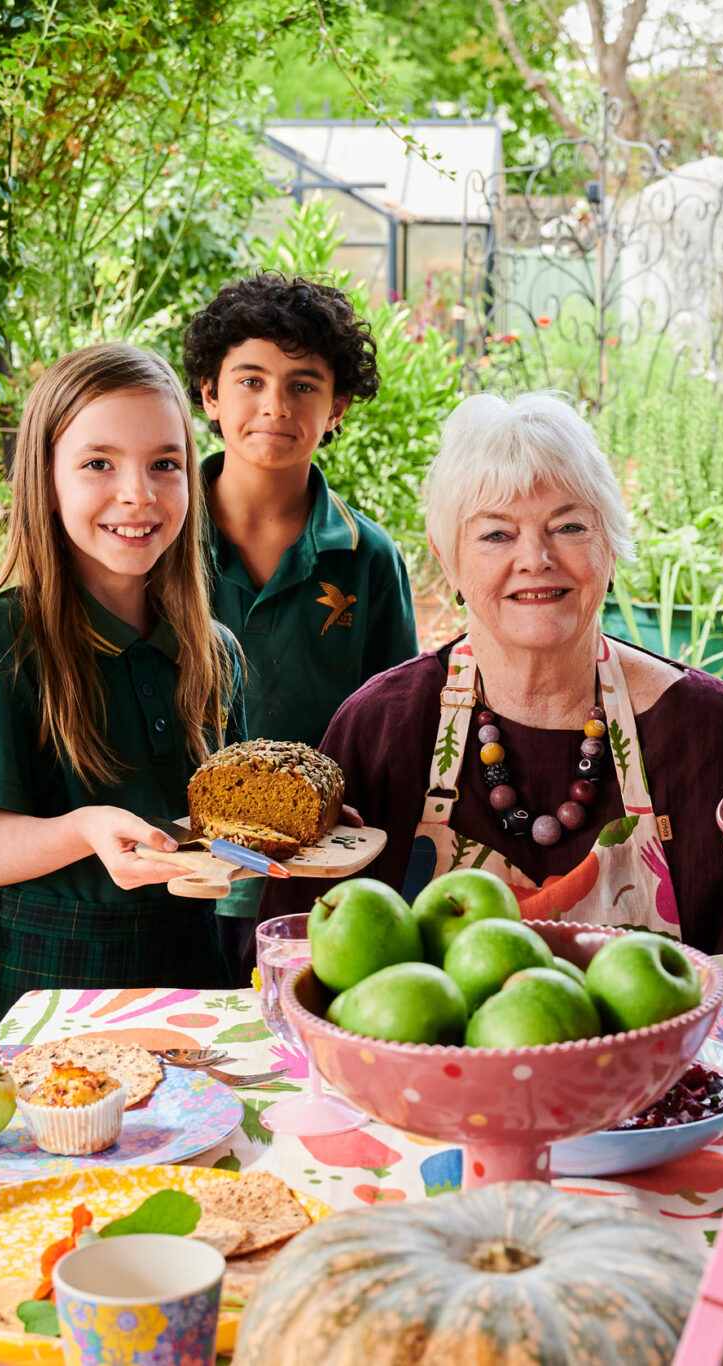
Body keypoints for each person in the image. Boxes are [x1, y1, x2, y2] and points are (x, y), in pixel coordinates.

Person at [262, 391, 723, 954]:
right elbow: (296, 956)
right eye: (496, 534)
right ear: (446, 557)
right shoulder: (380, 727)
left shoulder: (702, 726)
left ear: (610, 543)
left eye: (569, 527)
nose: (536, 558)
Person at [0, 343, 246, 1049]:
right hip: (46, 981)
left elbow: (224, 831)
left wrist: (298, 836)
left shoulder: (213, 651)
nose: (138, 493)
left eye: (165, 464)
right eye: (98, 463)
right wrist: (85, 828)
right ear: (46, 480)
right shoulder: (11, 635)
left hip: (190, 969)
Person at [180, 274, 419, 972]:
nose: (274, 406)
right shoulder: (159, 540)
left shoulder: (367, 556)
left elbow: (393, 726)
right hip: (176, 880)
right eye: (250, 381)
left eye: (303, 384)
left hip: (315, 885)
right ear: (210, 395)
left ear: (338, 405)